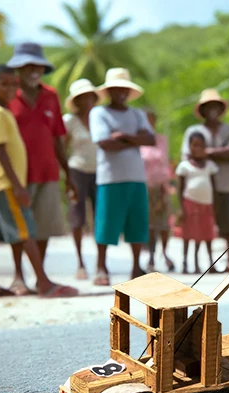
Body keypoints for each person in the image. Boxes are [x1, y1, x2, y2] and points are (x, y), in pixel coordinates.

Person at [0, 64, 77, 299]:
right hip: (5, 183)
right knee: (25, 231)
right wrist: (18, 186)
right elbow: (1, 152)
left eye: (13, 84)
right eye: (4, 84)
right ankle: (44, 284)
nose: (11, 88)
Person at [89, 68, 155, 285]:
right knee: (106, 222)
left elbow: (150, 139)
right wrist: (135, 139)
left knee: (137, 223)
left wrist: (124, 136)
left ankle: (136, 267)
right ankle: (101, 267)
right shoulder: (99, 113)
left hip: (136, 176)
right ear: (109, 91)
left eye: (124, 89)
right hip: (110, 177)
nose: (121, 93)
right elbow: (104, 143)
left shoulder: (137, 114)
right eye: (117, 88)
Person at [181, 89, 229, 272]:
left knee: (228, 224)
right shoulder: (194, 131)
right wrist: (220, 153)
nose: (212, 110)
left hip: (224, 184)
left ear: (221, 109)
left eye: (216, 106)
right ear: (203, 110)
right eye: (208, 107)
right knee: (199, 226)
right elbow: (187, 155)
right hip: (200, 190)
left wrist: (208, 153)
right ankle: (198, 262)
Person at [62, 78, 99, 280]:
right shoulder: (69, 120)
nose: (87, 100)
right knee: (77, 215)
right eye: (82, 97)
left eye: (89, 96)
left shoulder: (100, 118)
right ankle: (80, 263)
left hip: (99, 172)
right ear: (76, 100)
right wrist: (66, 176)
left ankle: (101, 263)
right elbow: (62, 147)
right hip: (77, 170)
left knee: (99, 216)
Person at [176, 132, 218, 274]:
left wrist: (215, 206)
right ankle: (185, 263)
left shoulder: (210, 166)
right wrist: (181, 207)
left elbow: (214, 187)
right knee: (188, 234)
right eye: (195, 145)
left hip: (206, 204)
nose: (198, 148)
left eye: (201, 145)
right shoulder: (184, 166)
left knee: (205, 234)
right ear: (190, 147)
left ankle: (206, 263)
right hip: (190, 203)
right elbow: (180, 188)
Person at [140, 108, 175, 273]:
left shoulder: (161, 140)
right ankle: (151, 256)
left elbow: (164, 163)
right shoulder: (137, 142)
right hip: (144, 187)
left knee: (164, 224)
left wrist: (165, 187)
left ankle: (165, 253)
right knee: (150, 224)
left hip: (161, 186)